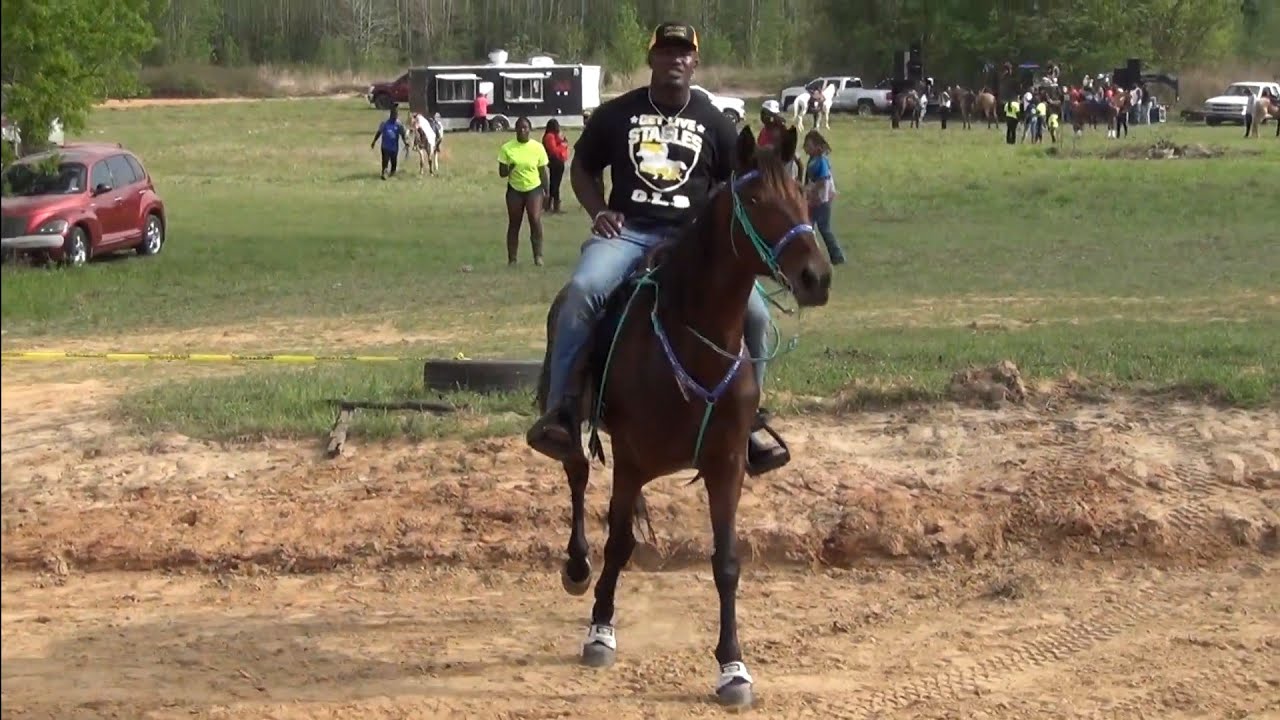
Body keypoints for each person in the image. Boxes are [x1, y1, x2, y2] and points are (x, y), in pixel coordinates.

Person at [525, 21, 790, 476]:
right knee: (582, 292)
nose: (675, 60)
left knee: (759, 315)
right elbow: (583, 169)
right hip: (628, 234)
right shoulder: (618, 113)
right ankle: (564, 411)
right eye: (666, 52)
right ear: (651, 60)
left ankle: (748, 425)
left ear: (695, 62)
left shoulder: (715, 122)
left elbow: (740, 184)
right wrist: (598, 211)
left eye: (683, 53)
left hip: (695, 247)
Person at [498, 116, 550, 266]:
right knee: (515, 222)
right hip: (515, 190)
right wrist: (510, 168)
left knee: (534, 219)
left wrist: (546, 192)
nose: (522, 130)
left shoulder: (537, 147)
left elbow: (542, 171)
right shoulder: (507, 148)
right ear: (515, 130)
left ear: (530, 130)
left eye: (525, 128)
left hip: (534, 188)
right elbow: (502, 173)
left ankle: (538, 256)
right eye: (519, 128)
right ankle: (512, 259)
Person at [802, 130, 843, 265]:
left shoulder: (821, 160)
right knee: (808, 227)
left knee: (824, 228)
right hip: (813, 200)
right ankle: (811, 255)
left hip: (821, 200)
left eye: (808, 146)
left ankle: (837, 256)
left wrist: (812, 189)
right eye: (805, 145)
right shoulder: (813, 160)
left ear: (817, 146)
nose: (806, 149)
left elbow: (823, 179)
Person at [371, 105, 409, 179]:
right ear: (391, 114)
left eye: (396, 114)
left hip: (394, 148)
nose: (395, 116)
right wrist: (374, 141)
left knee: (393, 163)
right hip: (385, 146)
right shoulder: (385, 123)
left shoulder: (399, 124)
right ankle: (384, 173)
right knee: (385, 160)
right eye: (394, 114)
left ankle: (392, 172)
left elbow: (403, 134)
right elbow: (379, 132)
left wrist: (406, 143)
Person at [543, 119, 570, 213]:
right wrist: (563, 145)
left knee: (554, 183)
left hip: (555, 162)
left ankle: (550, 205)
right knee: (555, 184)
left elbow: (559, 141)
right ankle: (554, 206)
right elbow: (553, 150)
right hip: (556, 162)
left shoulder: (552, 136)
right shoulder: (550, 136)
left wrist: (562, 140)